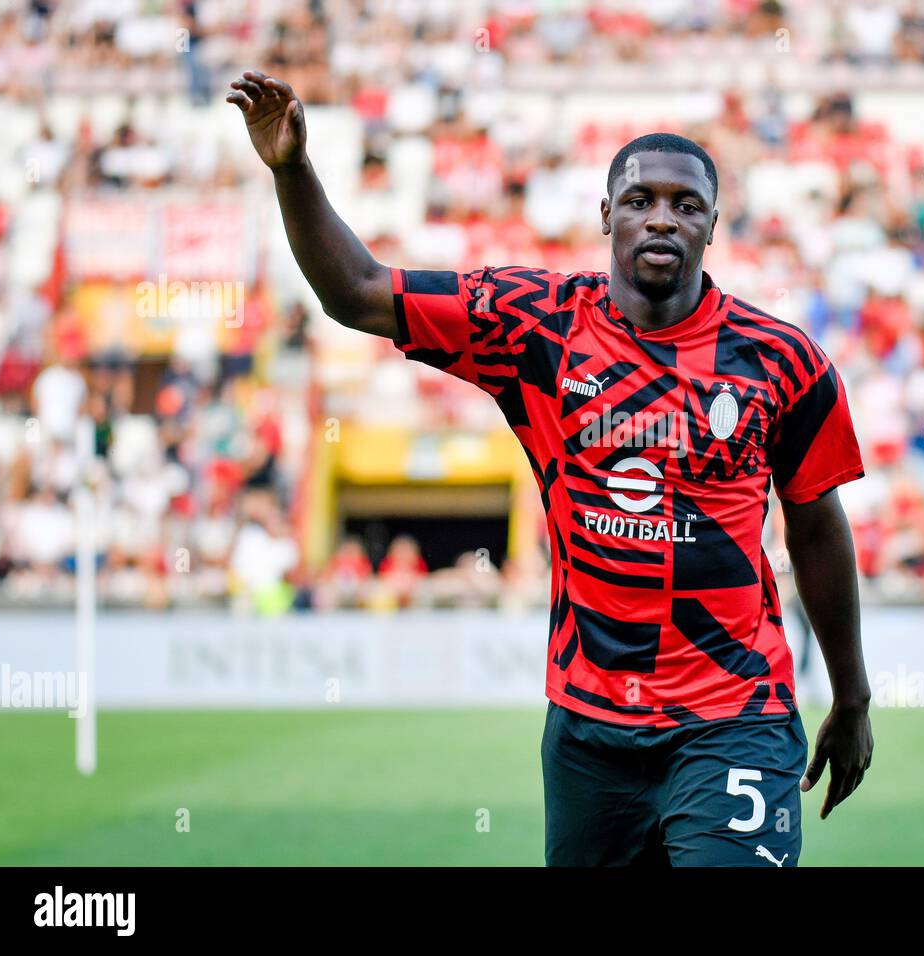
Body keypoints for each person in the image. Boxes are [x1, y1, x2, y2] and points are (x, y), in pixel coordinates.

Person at [228, 70, 873, 867]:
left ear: (714, 224)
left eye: (685, 203)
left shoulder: (784, 361)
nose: (661, 218)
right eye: (639, 201)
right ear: (606, 215)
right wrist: (292, 170)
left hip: (732, 714)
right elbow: (357, 292)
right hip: (587, 731)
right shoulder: (533, 325)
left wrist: (851, 694)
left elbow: (817, 524)